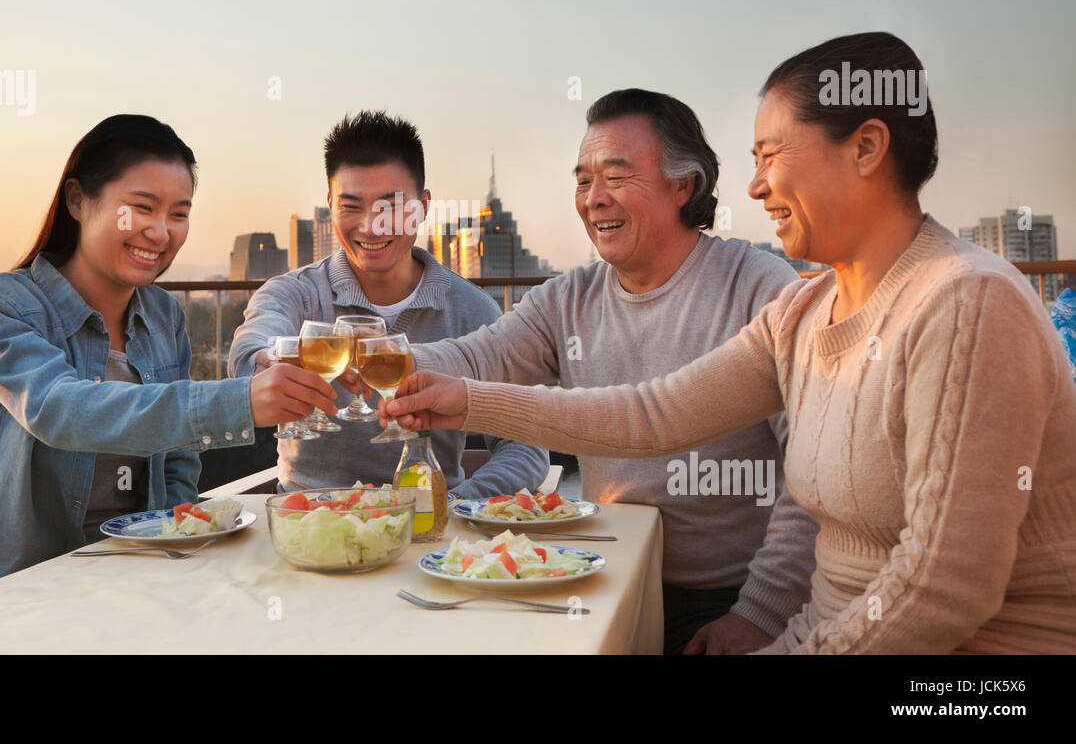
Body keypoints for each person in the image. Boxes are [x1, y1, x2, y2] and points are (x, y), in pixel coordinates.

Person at [386, 32, 1076, 653]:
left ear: (867, 148)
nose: (754, 184)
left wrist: (775, 632)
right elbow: (649, 415)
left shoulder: (966, 301)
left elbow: (942, 591)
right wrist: (462, 398)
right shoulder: (804, 312)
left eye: (772, 154)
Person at [408, 88, 817, 655]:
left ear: (683, 185)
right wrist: (384, 361)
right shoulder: (568, 298)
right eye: (582, 181)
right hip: (596, 571)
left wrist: (762, 611)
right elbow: (481, 357)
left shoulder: (758, 287)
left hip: (727, 596)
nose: (593, 199)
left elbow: (811, 467)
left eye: (616, 177)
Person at [0, 115, 335, 594]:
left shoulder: (163, 315)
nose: (160, 232)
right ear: (77, 201)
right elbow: (60, 410)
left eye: (178, 213)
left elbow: (177, 464)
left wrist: (178, 550)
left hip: (136, 576)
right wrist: (240, 401)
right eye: (141, 208)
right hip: (17, 589)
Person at [228, 110, 549, 498]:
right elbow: (251, 347)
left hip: (431, 531)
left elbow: (526, 443)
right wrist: (268, 360)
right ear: (331, 204)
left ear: (423, 206)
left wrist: (461, 504)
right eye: (351, 206)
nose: (371, 225)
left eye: (391, 206)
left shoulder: (473, 311)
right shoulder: (294, 293)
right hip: (311, 525)